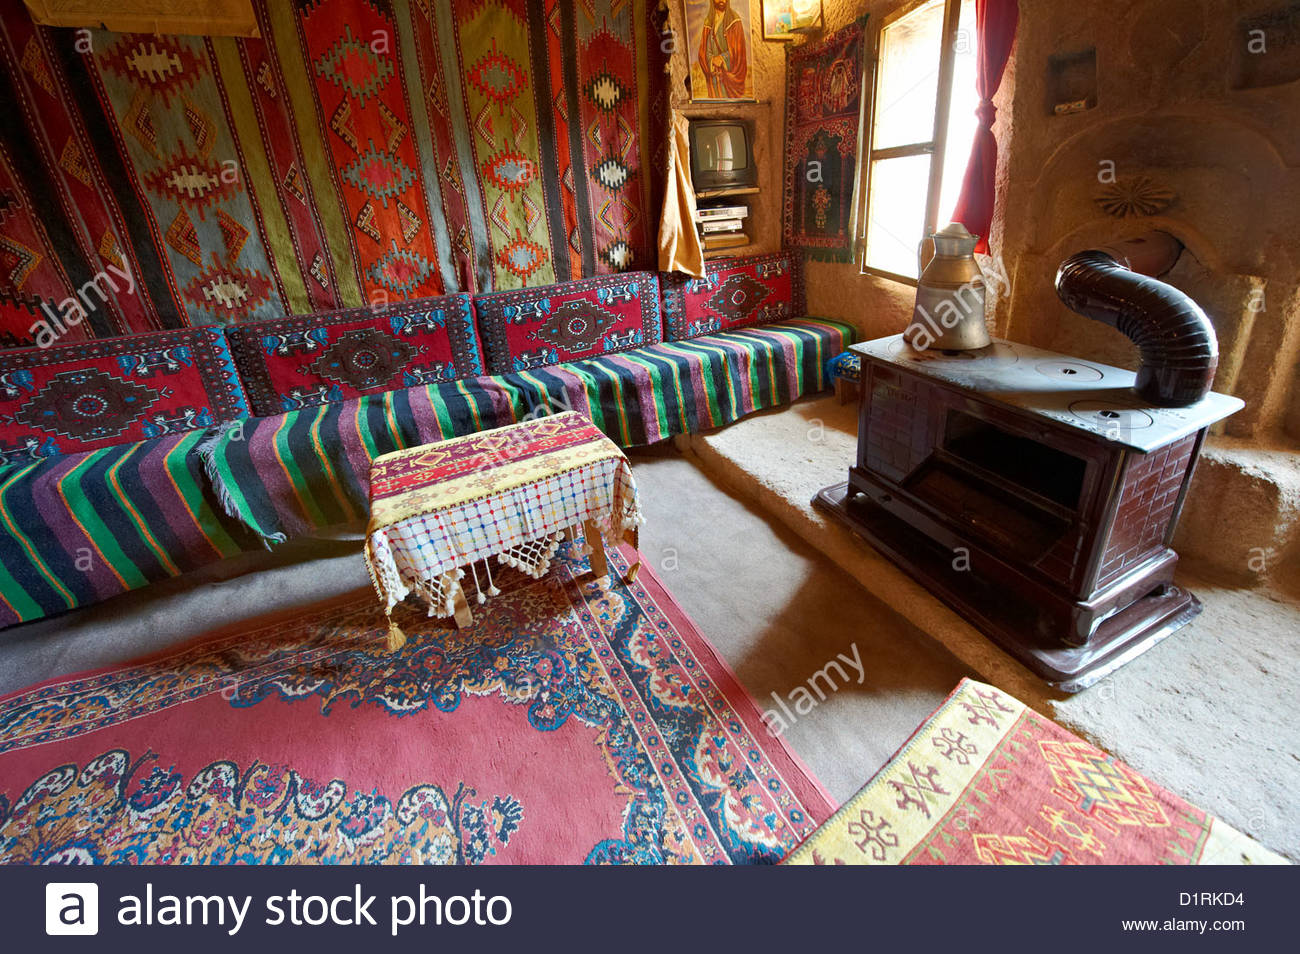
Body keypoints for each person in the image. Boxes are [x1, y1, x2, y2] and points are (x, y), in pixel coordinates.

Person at [697, 0, 748, 99]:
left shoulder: (734, 19)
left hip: (729, 76)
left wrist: (722, 58)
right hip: (714, 76)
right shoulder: (709, 21)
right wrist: (711, 60)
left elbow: (739, 49)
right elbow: (704, 50)